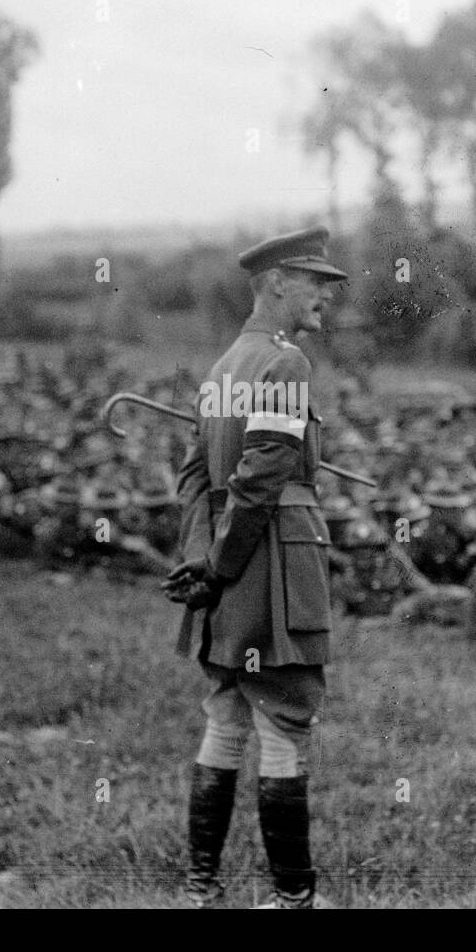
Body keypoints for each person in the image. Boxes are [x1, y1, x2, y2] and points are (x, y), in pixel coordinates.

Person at [163, 226, 347, 909]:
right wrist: (220, 563)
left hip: (227, 564)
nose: (326, 293)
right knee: (284, 717)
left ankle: (200, 890)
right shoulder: (285, 362)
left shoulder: (223, 366)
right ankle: (293, 899)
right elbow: (263, 477)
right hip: (268, 563)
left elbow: (192, 478)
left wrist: (201, 559)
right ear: (276, 283)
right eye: (315, 280)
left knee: (228, 716)